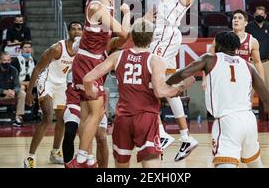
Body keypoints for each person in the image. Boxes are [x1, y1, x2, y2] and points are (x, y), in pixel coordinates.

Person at [66, 0, 144, 168]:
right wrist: (128, 15)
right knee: (97, 112)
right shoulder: (99, 9)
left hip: (92, 62)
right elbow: (123, 34)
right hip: (88, 63)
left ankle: (86, 156)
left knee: (91, 112)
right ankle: (80, 157)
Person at [145, 0, 215, 162]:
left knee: (151, 82)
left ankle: (162, 133)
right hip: (166, 34)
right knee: (168, 82)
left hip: (165, 34)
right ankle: (185, 136)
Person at [82, 19, 193, 168]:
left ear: (132, 37)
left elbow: (88, 78)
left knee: (122, 164)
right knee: (151, 164)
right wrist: (180, 87)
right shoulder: (155, 60)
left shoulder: (118, 56)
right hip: (146, 118)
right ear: (152, 38)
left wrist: (91, 91)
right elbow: (160, 92)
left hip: (123, 118)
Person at [166, 32, 269, 168]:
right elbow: (268, 99)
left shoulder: (210, 59)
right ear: (236, 47)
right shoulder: (248, 66)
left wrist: (166, 84)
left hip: (227, 121)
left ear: (218, 44)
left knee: (225, 164)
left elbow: (183, 74)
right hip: (249, 120)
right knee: (254, 162)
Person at [63, 21, 123, 168]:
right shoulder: (82, 49)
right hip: (78, 94)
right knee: (75, 129)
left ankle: (91, 161)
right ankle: (84, 157)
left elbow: (123, 38)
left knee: (101, 136)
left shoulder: (108, 48)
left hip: (96, 92)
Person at [23, 24, 82, 167]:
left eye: (79, 29)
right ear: (68, 32)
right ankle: (30, 157)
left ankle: (55, 152)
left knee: (62, 120)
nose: (77, 31)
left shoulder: (80, 50)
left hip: (61, 84)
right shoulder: (57, 49)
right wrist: (29, 92)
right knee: (48, 117)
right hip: (46, 81)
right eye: (74, 28)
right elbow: (37, 68)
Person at [246, 6, 269, 119]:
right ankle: (246, 114)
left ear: (265, 16)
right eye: (257, 14)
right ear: (254, 15)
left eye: (262, 14)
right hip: (252, 63)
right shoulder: (249, 27)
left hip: (266, 62)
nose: (259, 16)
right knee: (248, 90)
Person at [0, 52, 25, 127]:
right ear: (0, 61)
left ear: (10, 61)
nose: (6, 62)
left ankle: (18, 118)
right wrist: (4, 91)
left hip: (11, 94)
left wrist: (14, 91)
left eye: (8, 60)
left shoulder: (14, 70)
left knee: (22, 93)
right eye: (4, 60)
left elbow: (17, 85)